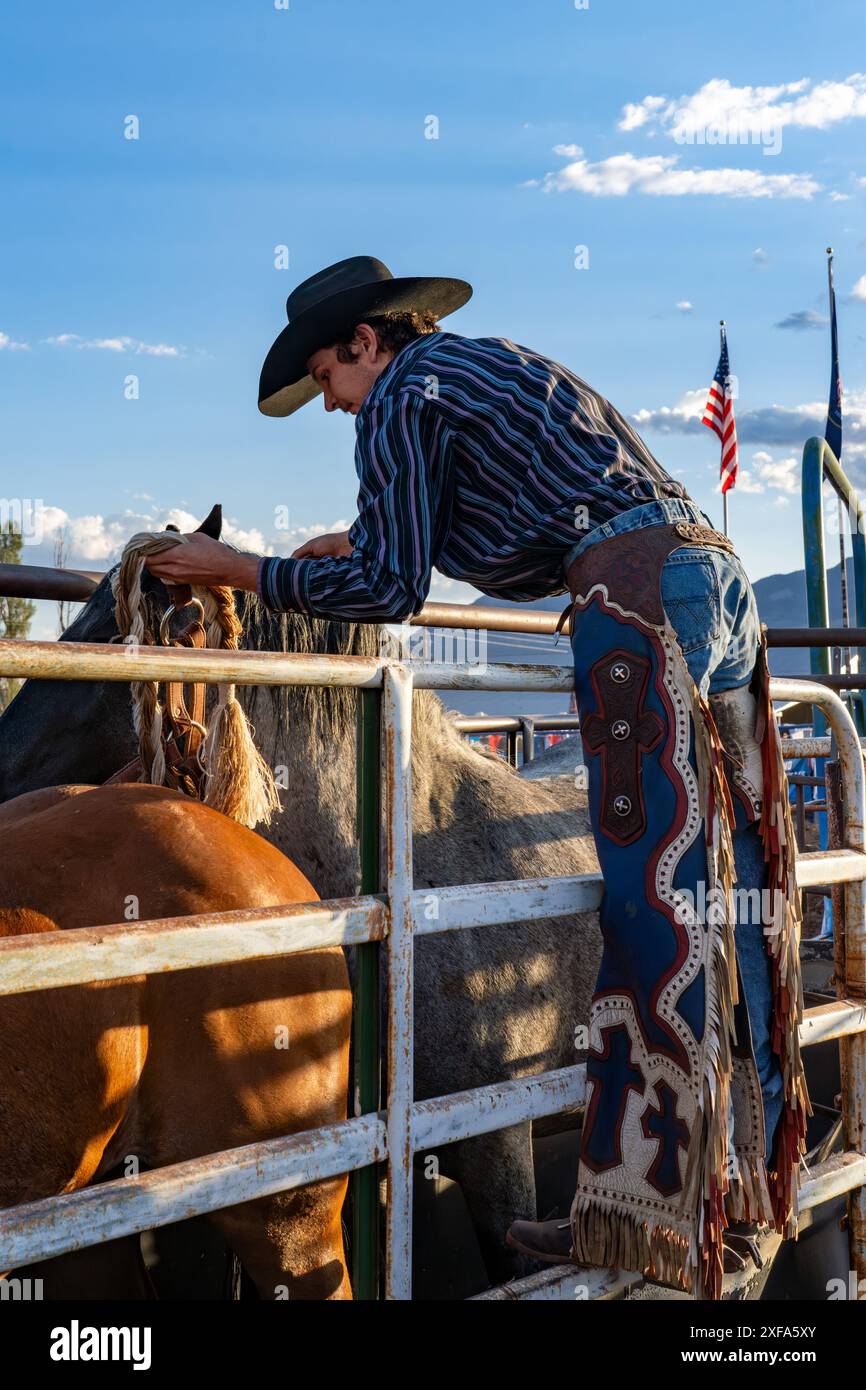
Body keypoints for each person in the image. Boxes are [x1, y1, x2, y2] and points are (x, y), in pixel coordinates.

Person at [145, 255, 808, 1298]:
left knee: (651, 904)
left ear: (367, 341)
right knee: (741, 889)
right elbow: (413, 542)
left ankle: (662, 1217)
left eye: (326, 374)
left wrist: (238, 569)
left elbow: (391, 587)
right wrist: (350, 546)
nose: (329, 399)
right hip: (709, 576)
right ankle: (756, 1188)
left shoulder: (399, 398)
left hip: (635, 604)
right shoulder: (483, 368)